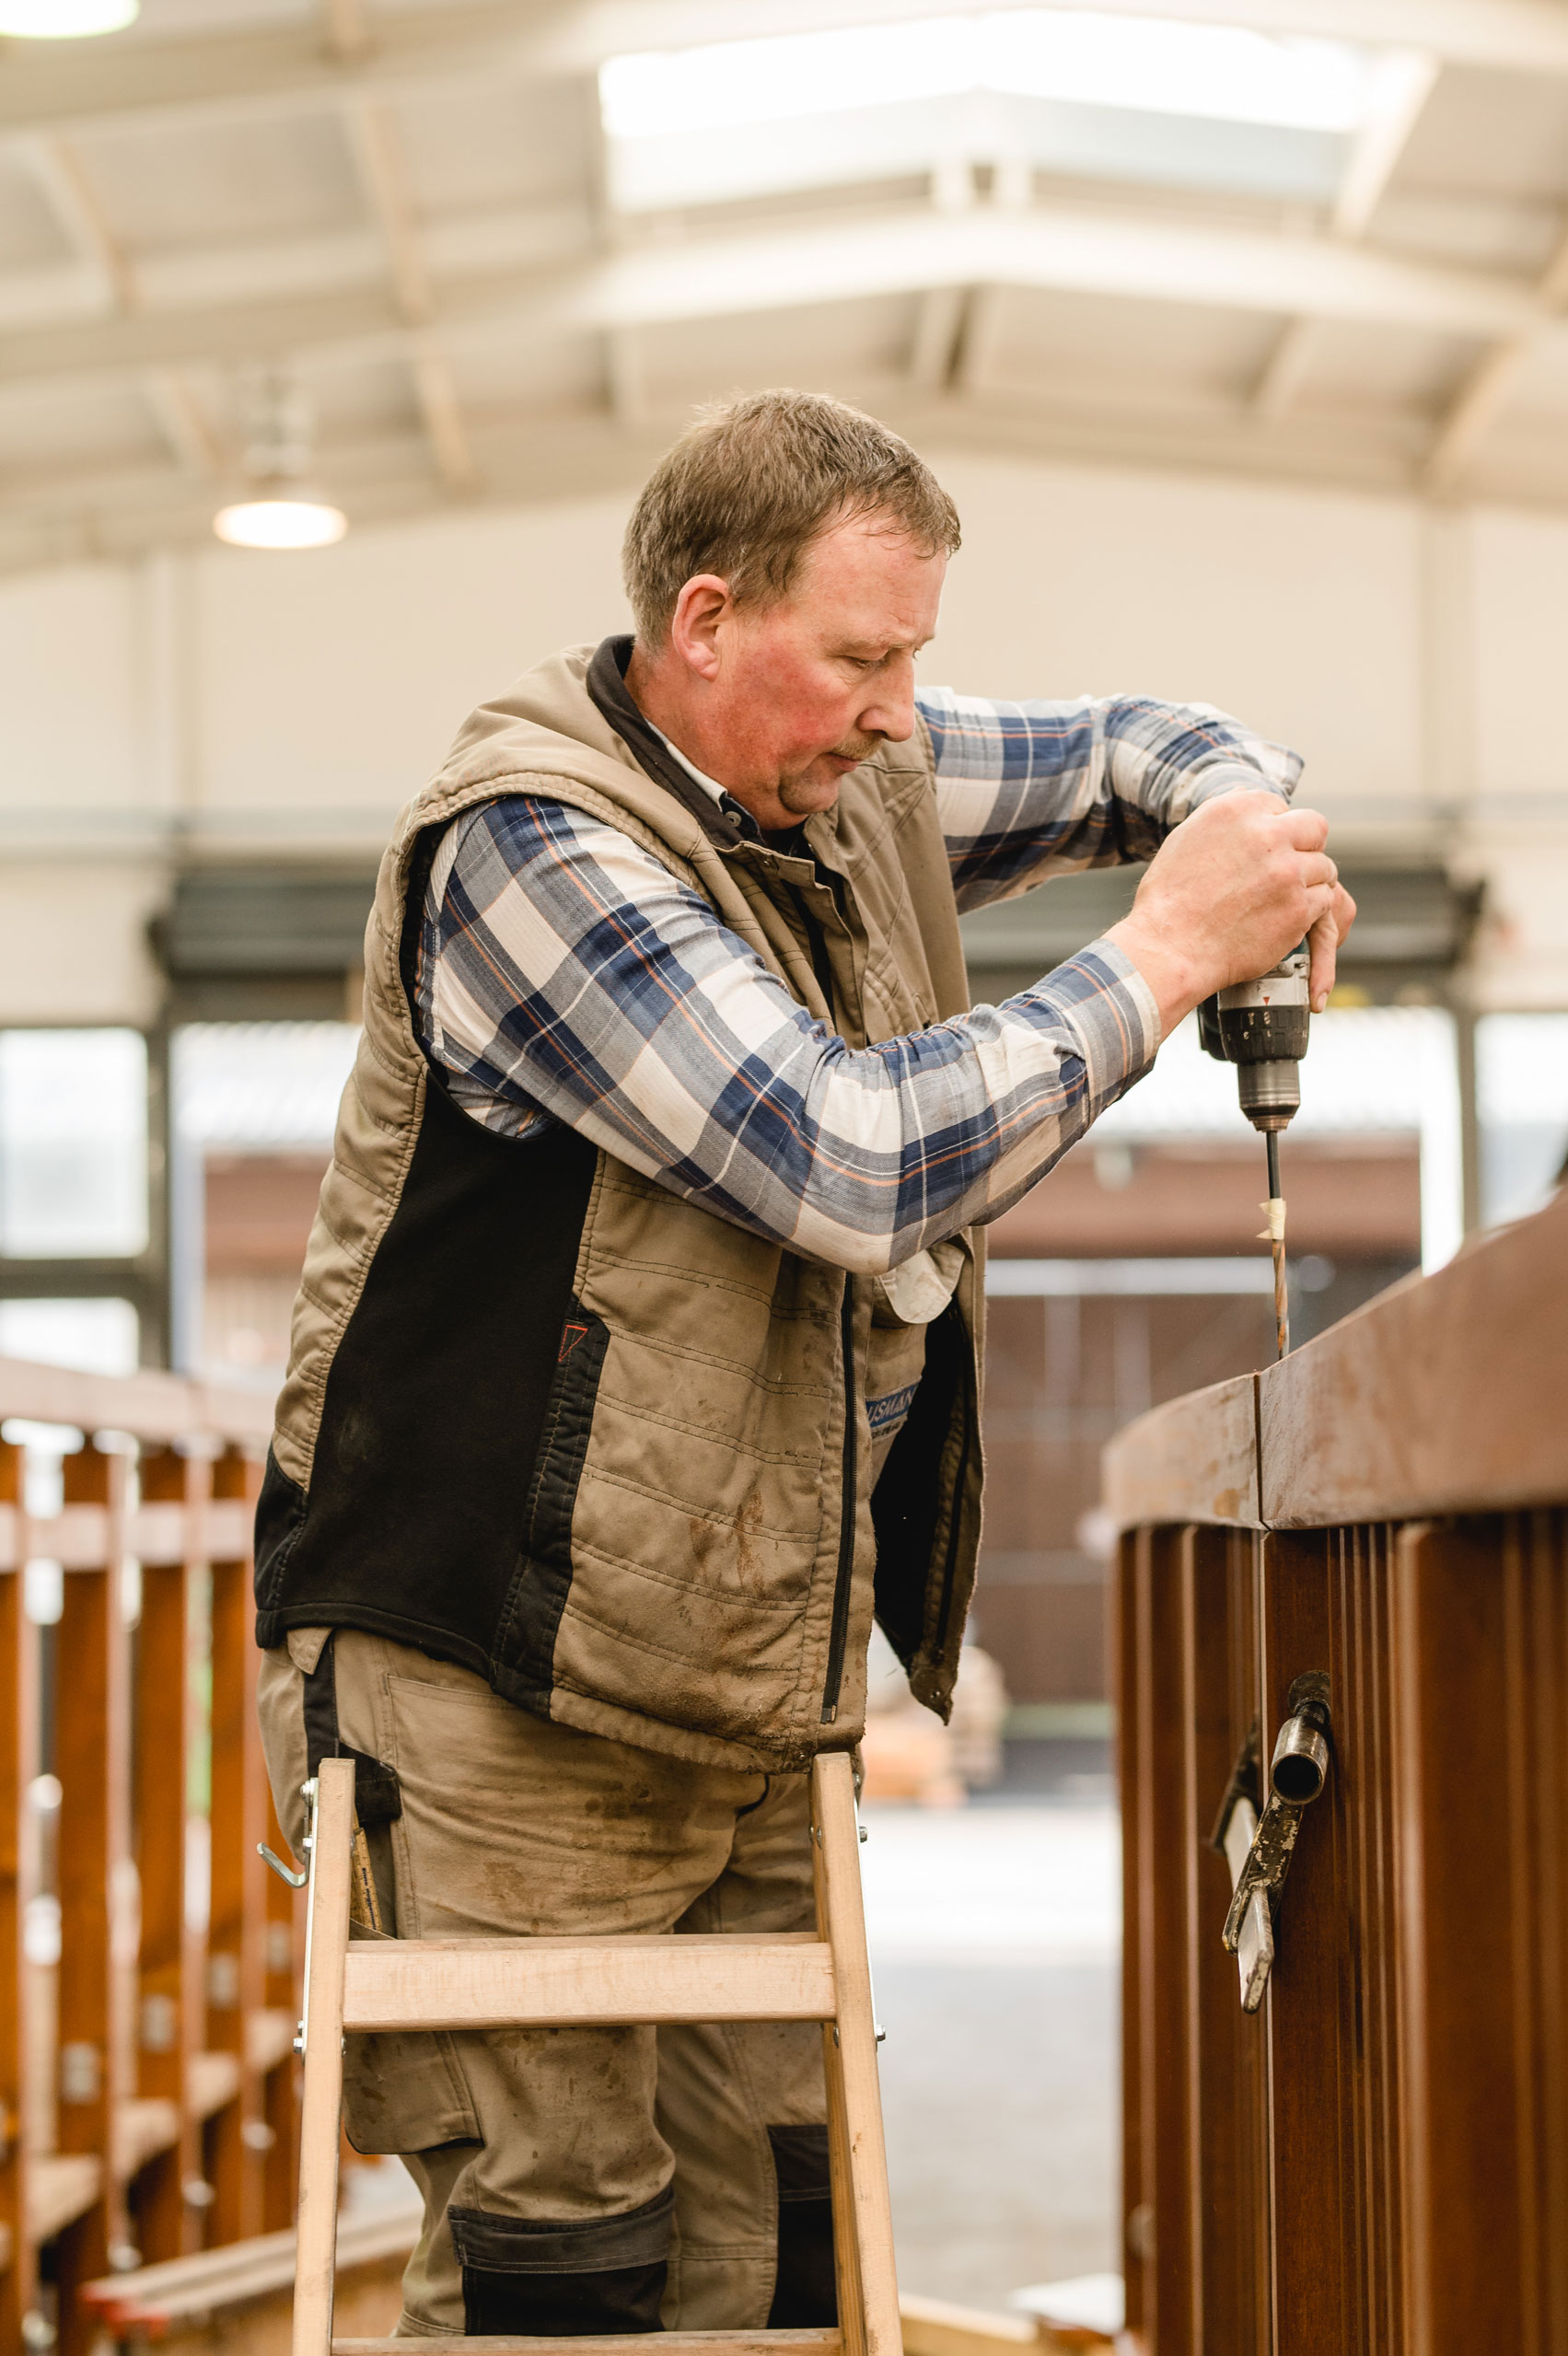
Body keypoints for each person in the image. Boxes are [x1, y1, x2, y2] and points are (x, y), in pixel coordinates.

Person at [254, 390, 1353, 2339]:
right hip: (497, 1697)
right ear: (701, 622)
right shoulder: (533, 855)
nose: (899, 707)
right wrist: (1170, 951)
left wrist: (1245, 807)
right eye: (862, 654)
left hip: (730, 1692)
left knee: (784, 2246)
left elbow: (1116, 751)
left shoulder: (837, 768)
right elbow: (849, 1156)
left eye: (915, 651)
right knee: (564, 2274)